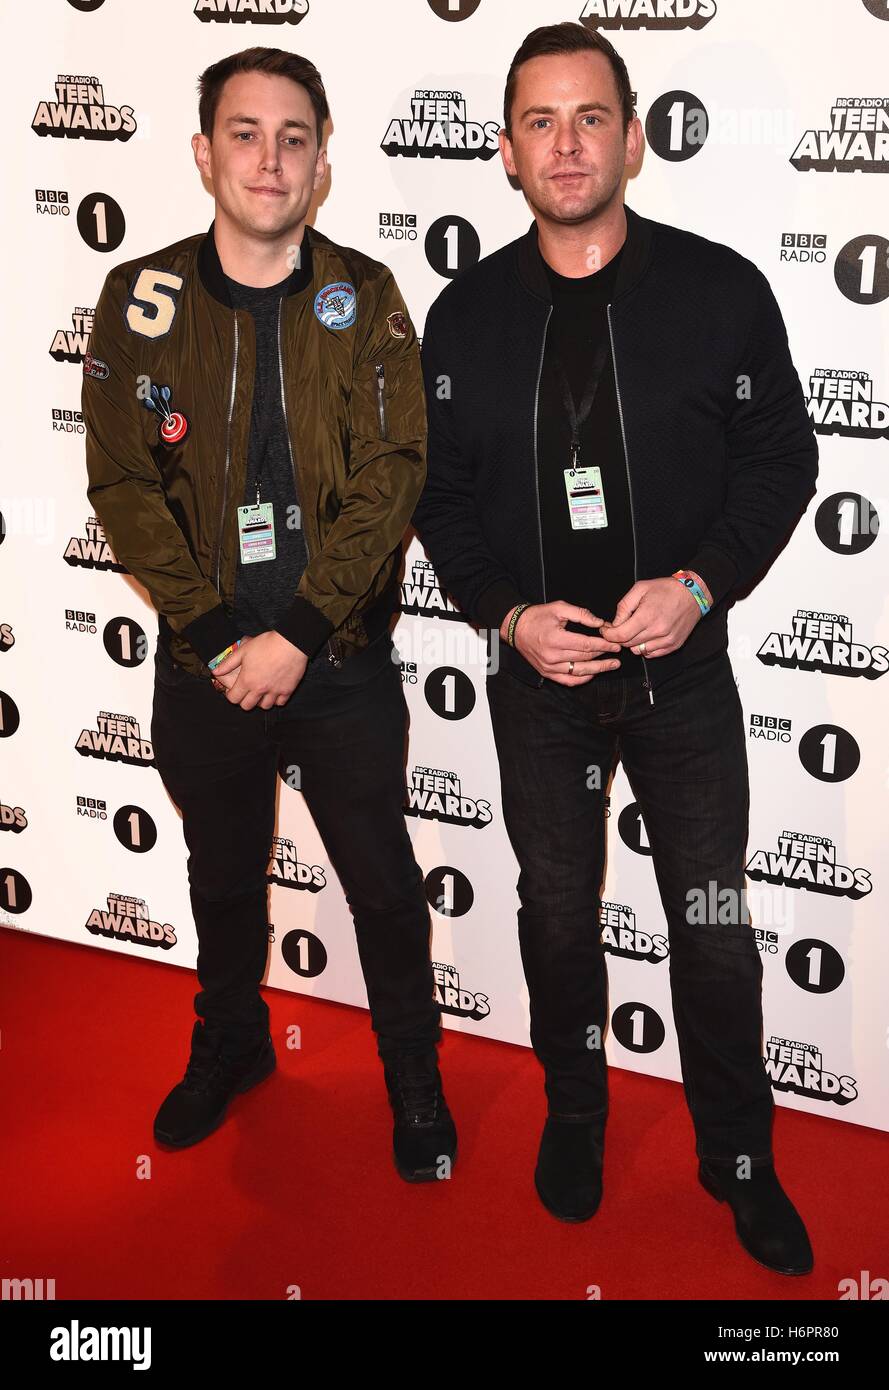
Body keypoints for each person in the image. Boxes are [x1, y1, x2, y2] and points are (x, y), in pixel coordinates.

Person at [412, 22, 818, 1271]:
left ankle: (737, 1157)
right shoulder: (463, 318)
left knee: (711, 920)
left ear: (634, 139)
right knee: (553, 913)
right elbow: (439, 498)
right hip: (538, 684)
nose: (566, 144)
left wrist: (700, 585)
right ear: (505, 151)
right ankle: (575, 1118)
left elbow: (781, 459)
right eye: (540, 121)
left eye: (590, 117)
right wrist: (505, 615)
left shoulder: (719, 292)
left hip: (680, 678)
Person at [81, 46, 456, 1182]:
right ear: (204, 153)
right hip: (204, 667)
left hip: (335, 661)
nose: (269, 160)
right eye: (244, 134)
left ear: (322, 163)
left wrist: (296, 633)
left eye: (294, 138)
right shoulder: (139, 298)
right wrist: (213, 639)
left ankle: (413, 1075)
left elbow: (394, 472)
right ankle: (234, 1042)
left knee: (382, 885)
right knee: (223, 877)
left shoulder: (366, 295)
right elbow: (122, 485)